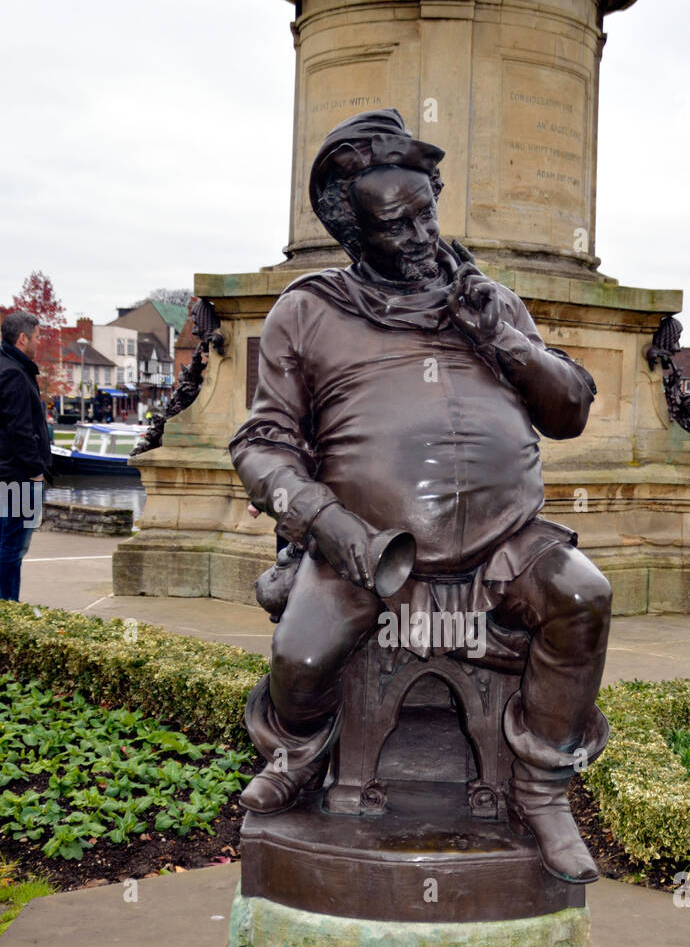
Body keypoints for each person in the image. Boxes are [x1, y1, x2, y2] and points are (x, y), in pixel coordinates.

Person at [229, 109, 611, 883]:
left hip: (507, 542)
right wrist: (332, 530)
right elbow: (261, 444)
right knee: (300, 657)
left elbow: (569, 410)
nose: (420, 238)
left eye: (426, 213)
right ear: (354, 232)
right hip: (367, 546)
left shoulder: (491, 301)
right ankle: (300, 748)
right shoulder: (308, 311)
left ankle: (542, 789)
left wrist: (505, 342)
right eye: (395, 225)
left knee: (584, 598)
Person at [0, 310, 51, 602]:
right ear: (22, 339)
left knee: (6, 541)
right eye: (36, 336)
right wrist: (36, 472)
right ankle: (9, 606)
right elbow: (21, 430)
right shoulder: (14, 374)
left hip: (7, 474)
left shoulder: (7, 366)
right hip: (18, 477)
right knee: (14, 545)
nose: (39, 341)